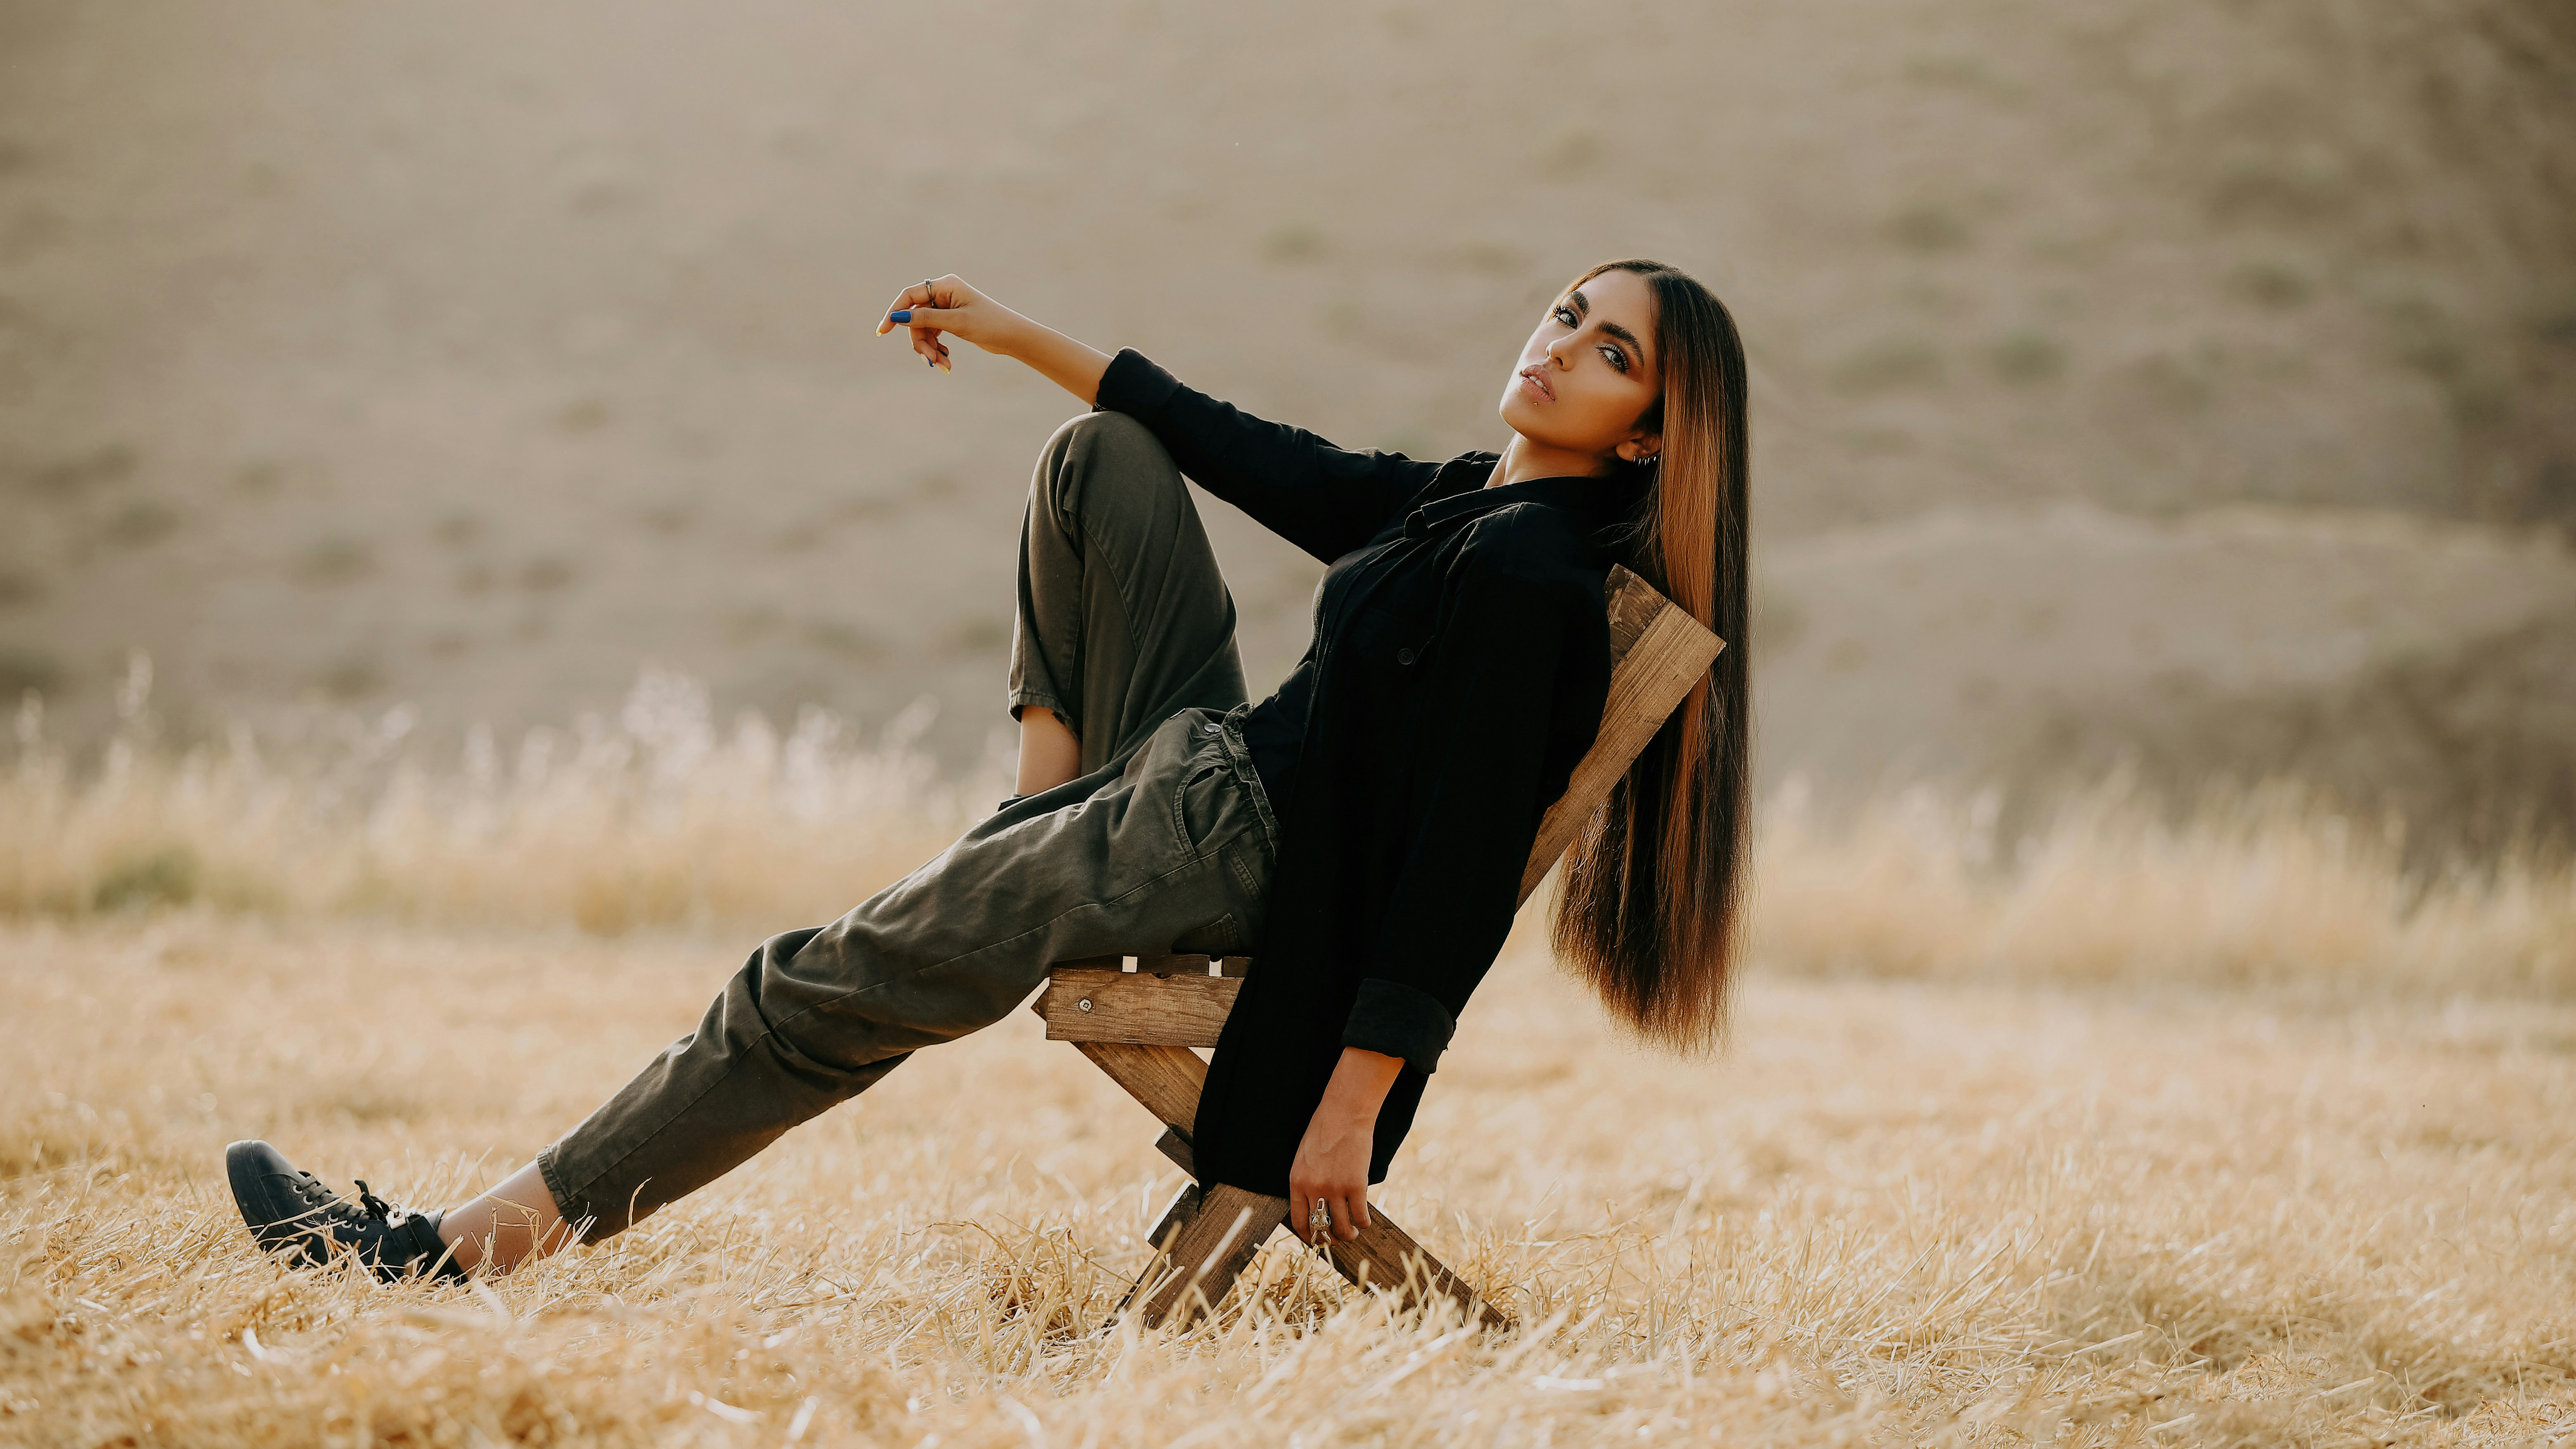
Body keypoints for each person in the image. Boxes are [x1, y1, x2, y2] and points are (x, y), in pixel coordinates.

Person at [224, 258, 1755, 1283]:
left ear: (1648, 434)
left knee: (820, 977)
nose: (1559, 348)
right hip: (1198, 766)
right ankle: (1033, 818)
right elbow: (1243, 450)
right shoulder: (1461, 506)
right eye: (1567, 312)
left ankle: (462, 1247)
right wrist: (1022, 335)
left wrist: (1357, 1102)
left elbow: (1462, 867)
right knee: (1105, 460)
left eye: (1610, 353)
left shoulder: (1532, 587)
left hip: (1235, 836)